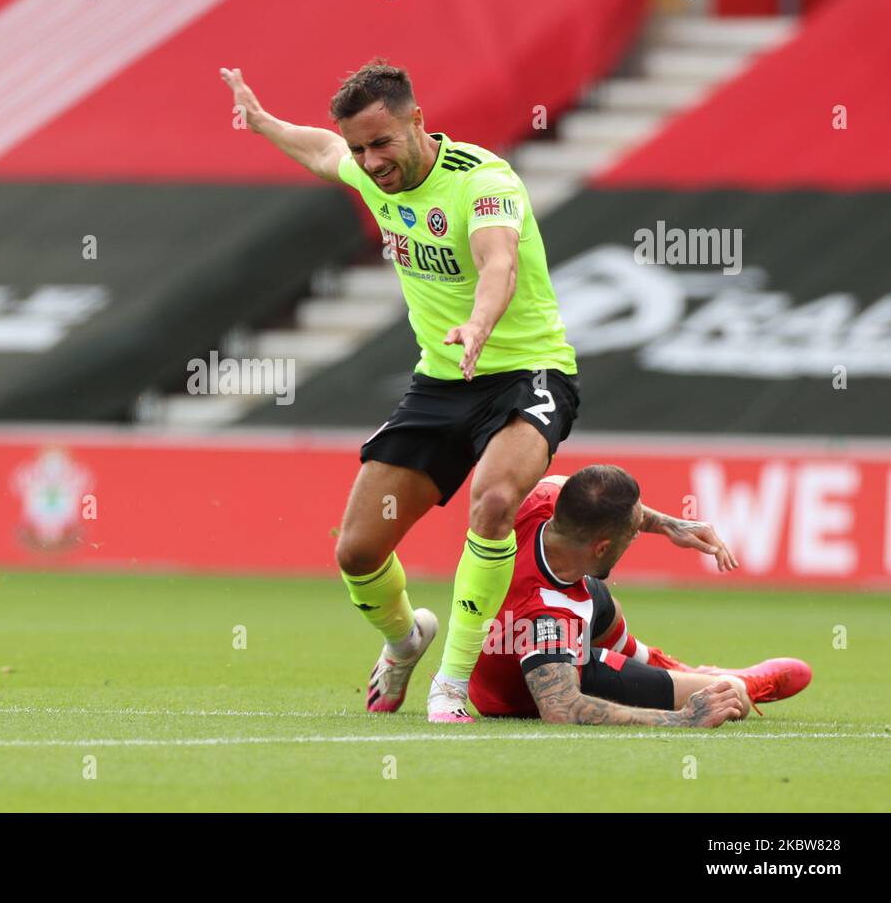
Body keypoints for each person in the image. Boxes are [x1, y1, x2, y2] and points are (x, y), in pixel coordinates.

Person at [221, 59, 581, 722]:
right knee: (357, 550)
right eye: (362, 147)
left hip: (529, 373)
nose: (371, 160)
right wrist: (264, 123)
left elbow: (498, 260)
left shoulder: (483, 181)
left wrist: (478, 322)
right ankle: (405, 640)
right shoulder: (363, 165)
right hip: (442, 383)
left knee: (496, 498)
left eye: (381, 142)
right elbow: (325, 152)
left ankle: (452, 682)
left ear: (418, 121)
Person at [469, 465, 811, 725]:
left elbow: (588, 498)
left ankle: (685, 669)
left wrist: (668, 525)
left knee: (599, 597)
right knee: (728, 696)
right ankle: (738, 682)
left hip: (508, 633)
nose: (634, 538)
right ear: (602, 545)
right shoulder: (549, 616)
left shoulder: (543, 500)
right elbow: (561, 707)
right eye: (632, 534)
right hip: (517, 693)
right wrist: (683, 718)